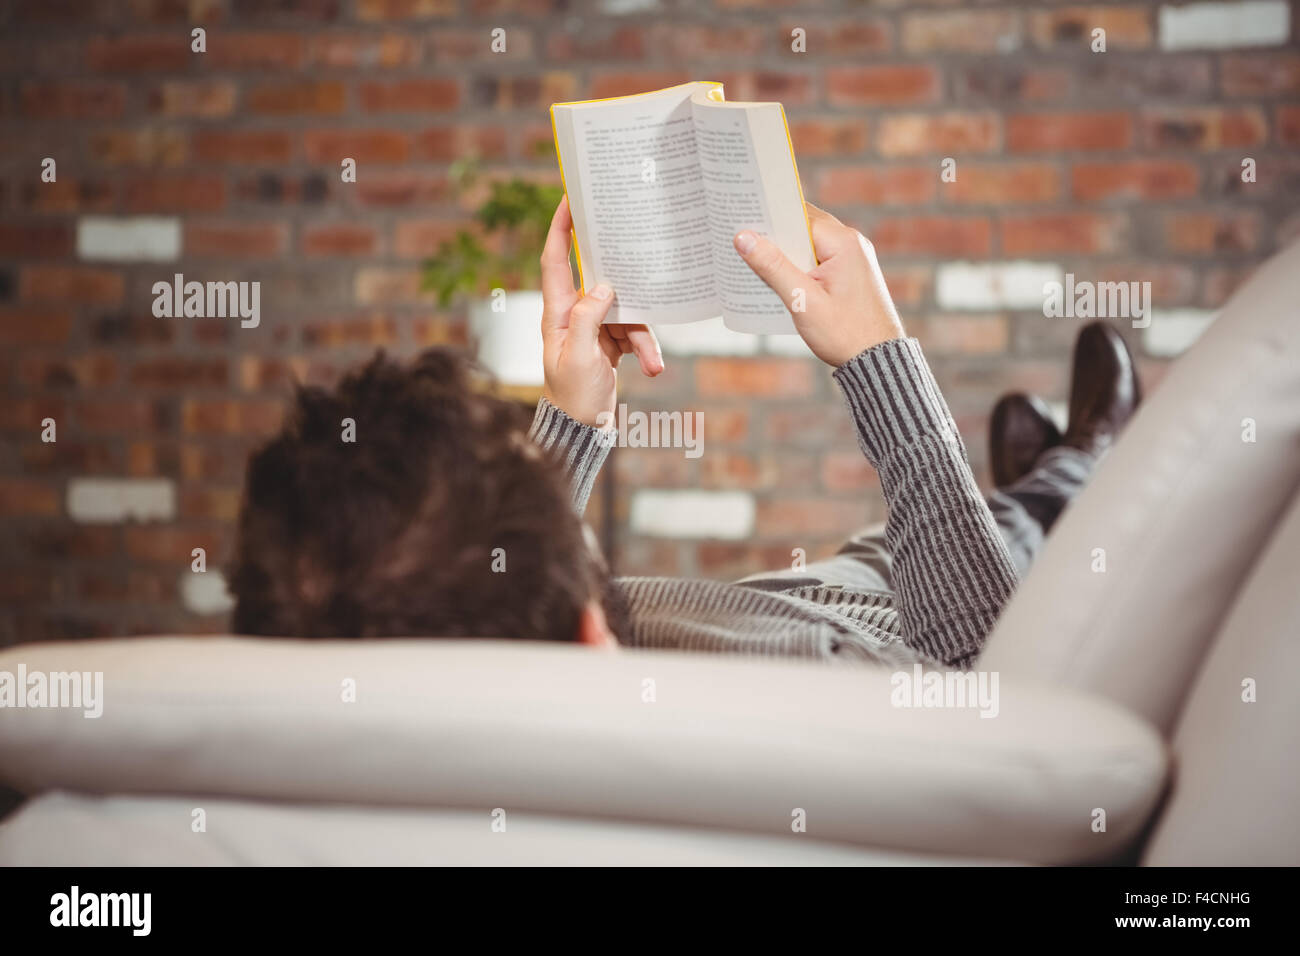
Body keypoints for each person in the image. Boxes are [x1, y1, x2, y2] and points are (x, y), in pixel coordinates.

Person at [229, 198, 1139, 669]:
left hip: (833, 585)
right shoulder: (817, 688)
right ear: (591, 632)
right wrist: (879, 361)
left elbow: (491, 573)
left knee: (973, 517)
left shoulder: (408, 641)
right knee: (1020, 526)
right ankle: (1084, 459)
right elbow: (985, 672)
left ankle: (1044, 473)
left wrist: (573, 419)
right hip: (894, 602)